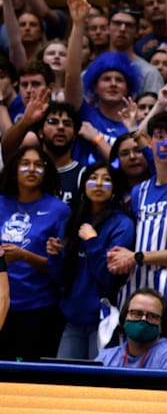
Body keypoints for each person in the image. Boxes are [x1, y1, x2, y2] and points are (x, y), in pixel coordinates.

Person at [109, 110, 167, 359]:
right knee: (128, 361)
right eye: (159, 136)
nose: (165, 143)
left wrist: (138, 257)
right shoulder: (139, 191)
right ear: (149, 142)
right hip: (136, 287)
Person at [56, 163, 134, 360]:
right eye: (93, 178)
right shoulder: (71, 221)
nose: (99, 184)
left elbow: (108, 276)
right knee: (61, 376)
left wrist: (92, 241)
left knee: (98, 377)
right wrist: (54, 256)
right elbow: (59, 277)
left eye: (106, 180)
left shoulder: (122, 224)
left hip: (104, 319)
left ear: (114, 188)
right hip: (72, 318)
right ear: (83, 185)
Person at [0, 144, 70, 361]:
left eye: (38, 165)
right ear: (14, 169)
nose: (31, 169)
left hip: (38, 306)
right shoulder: (1, 203)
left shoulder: (59, 210)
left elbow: (60, 268)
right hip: (2, 302)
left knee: (30, 372)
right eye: (25, 164)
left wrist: (24, 255)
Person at [98, 288, 167, 370]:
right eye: (136, 313)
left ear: (162, 325)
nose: (143, 319)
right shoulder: (105, 358)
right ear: (124, 318)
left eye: (152, 316)